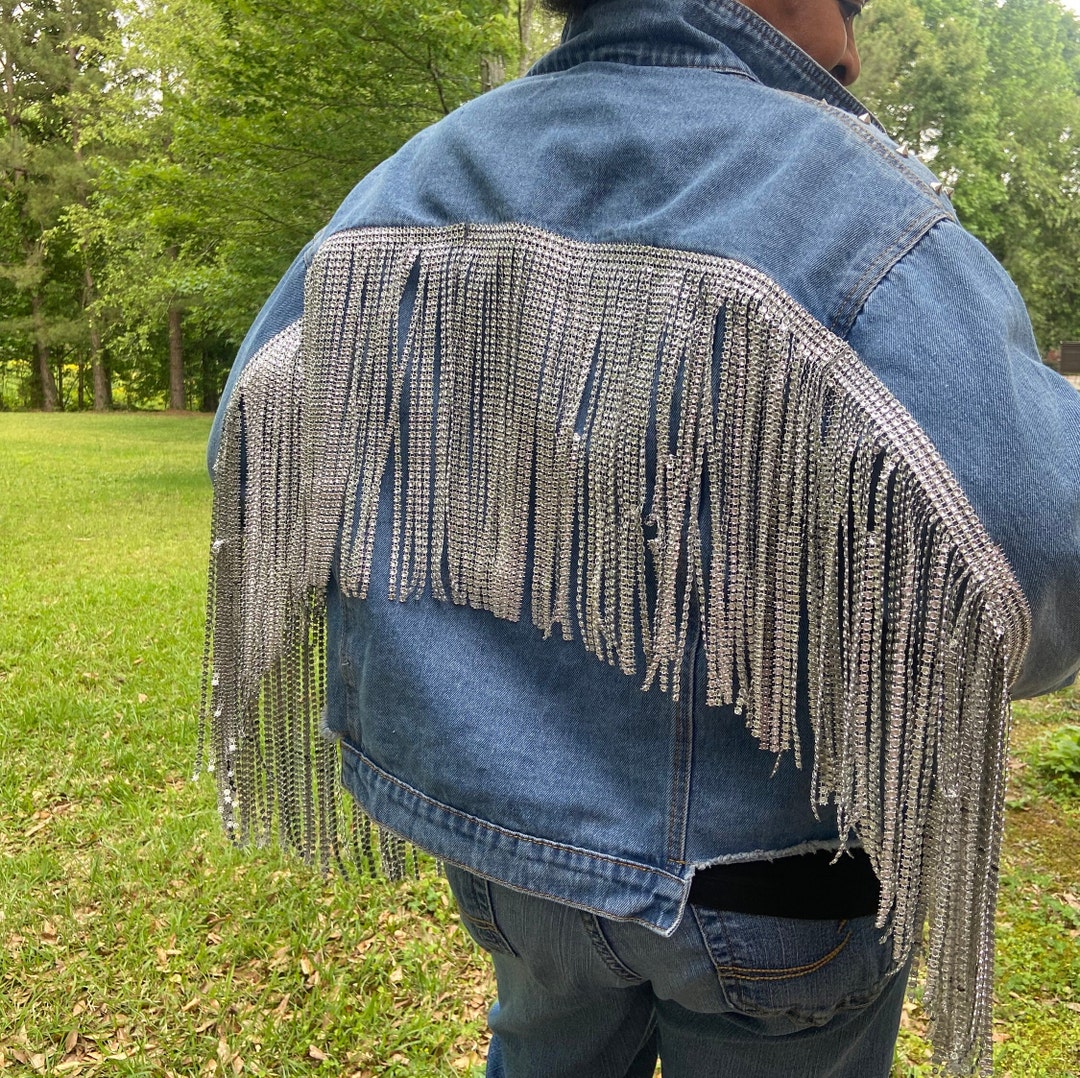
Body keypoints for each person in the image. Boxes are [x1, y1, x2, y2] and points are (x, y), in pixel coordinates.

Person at [200, 1, 1080, 1075]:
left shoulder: (413, 182)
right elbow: (1035, 548)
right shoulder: (853, 206)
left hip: (509, 856)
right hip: (780, 878)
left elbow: (257, 440)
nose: (853, 46)